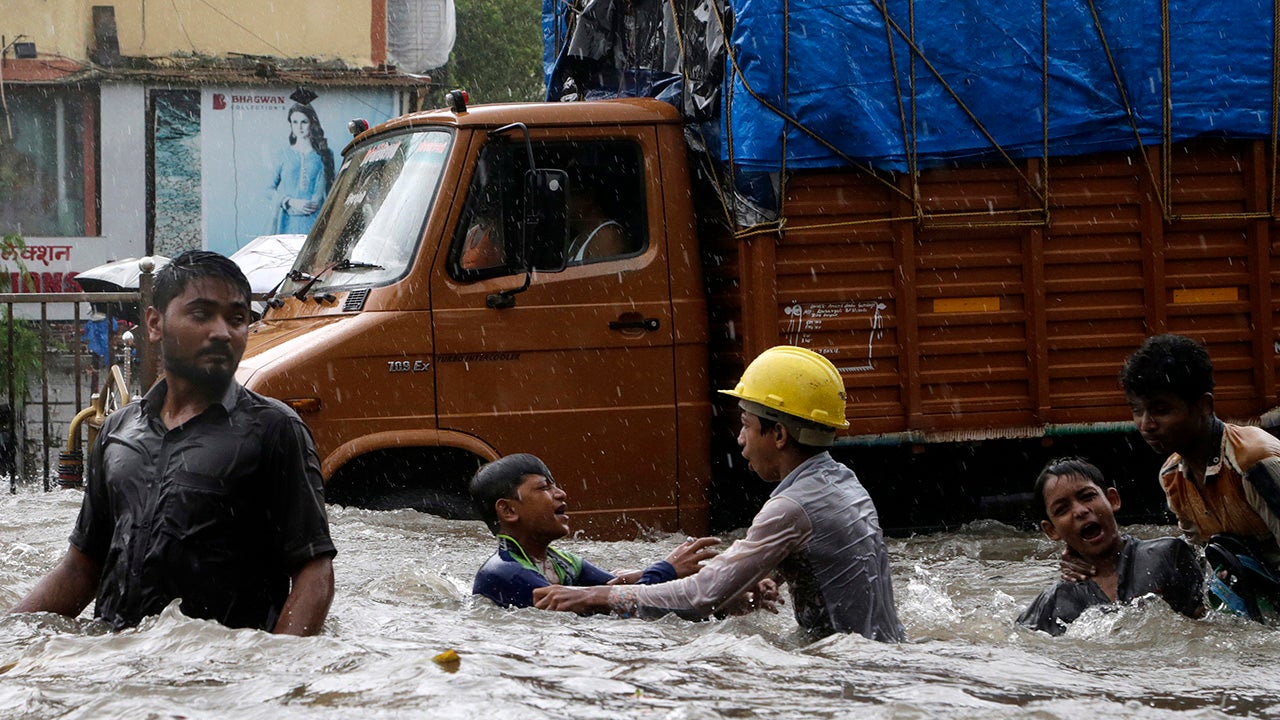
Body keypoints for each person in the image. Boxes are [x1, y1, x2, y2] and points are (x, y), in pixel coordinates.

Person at [9, 251, 336, 635]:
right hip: (117, 668)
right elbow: (81, 568)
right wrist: (11, 634)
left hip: (219, 676)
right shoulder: (118, 431)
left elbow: (315, 572)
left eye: (237, 318)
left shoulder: (275, 430)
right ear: (154, 323)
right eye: (202, 314)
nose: (222, 332)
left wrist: (278, 669)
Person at [534, 345, 906, 642]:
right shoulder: (842, 482)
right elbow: (798, 563)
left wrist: (594, 596)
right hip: (881, 648)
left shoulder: (792, 507)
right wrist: (645, 575)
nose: (740, 439)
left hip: (849, 666)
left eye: (746, 425)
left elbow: (702, 595)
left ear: (778, 435)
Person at [1114, 333, 1280, 617]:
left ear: (1204, 405)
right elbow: (1201, 563)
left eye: (1161, 410)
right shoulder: (1171, 476)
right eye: (1137, 410)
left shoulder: (1255, 462)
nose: (1145, 424)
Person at [470, 453, 721, 608]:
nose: (561, 493)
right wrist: (665, 570)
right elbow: (613, 607)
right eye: (544, 488)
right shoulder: (506, 572)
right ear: (508, 511)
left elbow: (611, 588)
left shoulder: (564, 562)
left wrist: (697, 577)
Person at [1018, 457, 1204, 636]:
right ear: (1051, 530)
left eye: (1088, 496)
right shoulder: (1054, 601)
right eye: (1062, 509)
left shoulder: (1167, 556)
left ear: (1112, 500)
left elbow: (1209, 621)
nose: (1080, 511)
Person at [269, 102, 335, 235]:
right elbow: (267, 189)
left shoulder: (324, 155)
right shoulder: (283, 155)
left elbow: (331, 191)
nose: (299, 127)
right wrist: (289, 201)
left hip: (315, 222)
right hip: (288, 223)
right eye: (295, 122)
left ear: (312, 123)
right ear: (291, 125)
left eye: (304, 122)